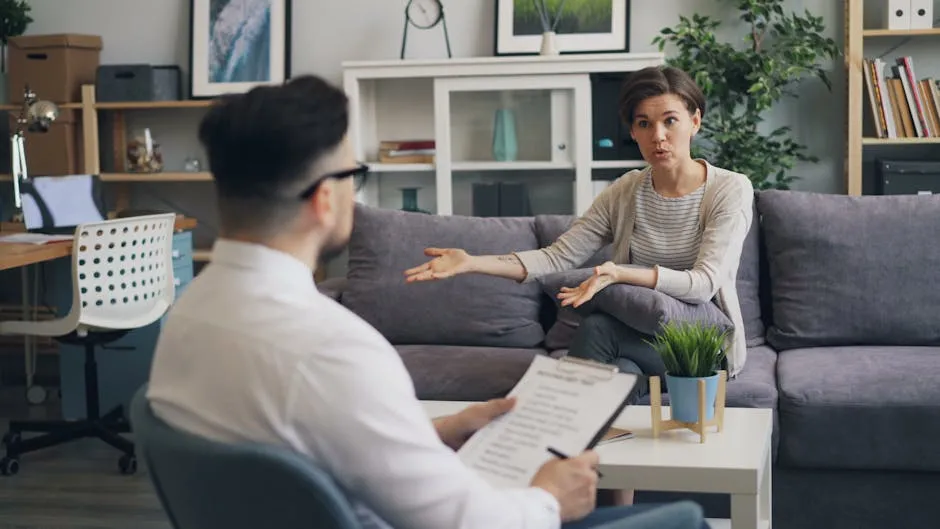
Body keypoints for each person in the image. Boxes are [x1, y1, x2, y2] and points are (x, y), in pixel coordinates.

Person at [145, 74, 709, 529]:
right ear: (324, 199)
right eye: (353, 174)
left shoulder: (186, 317)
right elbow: (463, 519)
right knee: (685, 521)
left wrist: (445, 427)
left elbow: (310, 444)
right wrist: (547, 499)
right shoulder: (334, 349)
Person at [404, 65, 754, 506]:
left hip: (702, 350)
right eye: (643, 124)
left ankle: (544, 489)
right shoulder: (626, 190)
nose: (658, 136)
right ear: (633, 130)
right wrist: (473, 262)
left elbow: (704, 283)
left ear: (695, 120)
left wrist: (618, 272)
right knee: (612, 383)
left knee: (599, 331)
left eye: (670, 120)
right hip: (637, 342)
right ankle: (608, 514)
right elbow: (558, 255)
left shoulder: (730, 189)